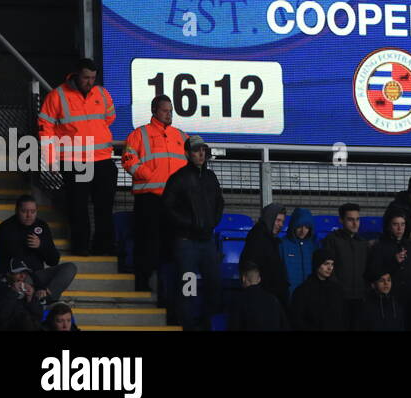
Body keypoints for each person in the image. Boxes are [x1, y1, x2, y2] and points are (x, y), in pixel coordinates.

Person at [39, 59, 116, 256]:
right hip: (74, 160)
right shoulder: (58, 95)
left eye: (93, 77)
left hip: (102, 159)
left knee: (104, 207)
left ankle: (103, 246)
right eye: (85, 77)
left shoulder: (102, 93)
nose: (89, 81)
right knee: (78, 207)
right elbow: (45, 128)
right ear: (75, 75)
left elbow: (109, 118)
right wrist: (51, 158)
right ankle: (81, 246)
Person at [120, 94, 187, 291]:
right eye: (165, 110)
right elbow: (128, 159)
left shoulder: (181, 136)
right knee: (146, 243)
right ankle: (142, 285)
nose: (169, 114)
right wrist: (147, 175)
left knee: (171, 244)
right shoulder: (139, 134)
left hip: (175, 200)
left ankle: (166, 288)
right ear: (154, 111)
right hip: (148, 198)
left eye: (171, 111)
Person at [159, 135, 224, 330]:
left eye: (203, 150)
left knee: (214, 285)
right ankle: (187, 325)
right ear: (187, 154)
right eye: (196, 150)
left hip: (206, 242)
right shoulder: (178, 178)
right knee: (189, 288)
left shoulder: (211, 177)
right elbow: (167, 209)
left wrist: (212, 222)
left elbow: (219, 202)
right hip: (186, 243)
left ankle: (206, 324)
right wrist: (190, 224)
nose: (201, 153)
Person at [0, 194, 76, 301]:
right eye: (24, 211)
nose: (29, 215)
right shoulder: (5, 228)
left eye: (33, 212)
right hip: (13, 277)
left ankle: (45, 297)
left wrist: (41, 246)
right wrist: (13, 276)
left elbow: (53, 260)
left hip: (36, 276)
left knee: (70, 268)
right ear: (17, 210)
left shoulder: (42, 226)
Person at [366, 207, 411, 319]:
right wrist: (394, 262)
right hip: (391, 301)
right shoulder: (379, 247)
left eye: (402, 224)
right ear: (388, 226)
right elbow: (373, 273)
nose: (399, 228)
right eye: (395, 224)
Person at [322, 202, 370, 325]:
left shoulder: (363, 243)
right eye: (350, 220)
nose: (355, 223)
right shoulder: (332, 240)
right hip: (339, 299)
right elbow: (327, 269)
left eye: (357, 219)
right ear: (341, 220)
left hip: (360, 298)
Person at [240, 203, 289, 310]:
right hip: (264, 299)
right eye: (278, 220)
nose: (281, 224)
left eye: (282, 221)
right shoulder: (259, 238)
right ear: (270, 218)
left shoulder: (268, 238)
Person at [289, 248, 347, 330]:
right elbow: (297, 320)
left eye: (332, 264)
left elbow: (341, 318)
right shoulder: (302, 291)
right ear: (317, 264)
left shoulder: (337, 289)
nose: (330, 268)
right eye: (326, 264)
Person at [227, 263, 289, 331]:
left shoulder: (238, 300)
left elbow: (233, 327)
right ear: (259, 279)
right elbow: (285, 326)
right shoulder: (273, 299)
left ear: (243, 278)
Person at [278, 207, 318, 301]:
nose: (303, 231)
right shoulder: (282, 245)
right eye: (299, 226)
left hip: (310, 297)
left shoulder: (314, 246)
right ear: (293, 226)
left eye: (307, 227)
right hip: (289, 297)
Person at [356, 266, 405, 331]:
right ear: (373, 285)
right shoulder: (366, 307)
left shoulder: (396, 304)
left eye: (388, 280)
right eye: (382, 280)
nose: (386, 283)